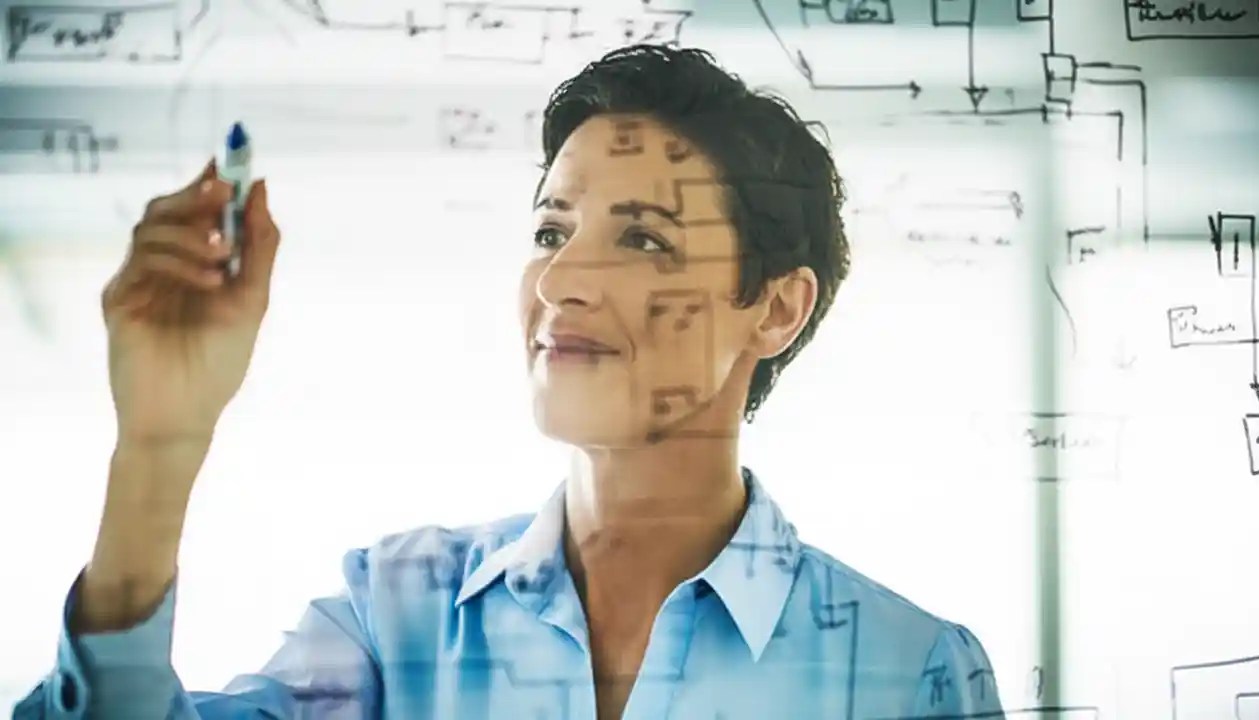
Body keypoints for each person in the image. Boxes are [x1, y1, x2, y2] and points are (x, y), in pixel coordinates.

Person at [14, 45, 1004, 719]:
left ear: (775, 309)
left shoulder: (905, 671)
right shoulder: (393, 615)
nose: (562, 280)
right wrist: (157, 447)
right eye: (549, 230)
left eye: (645, 239)